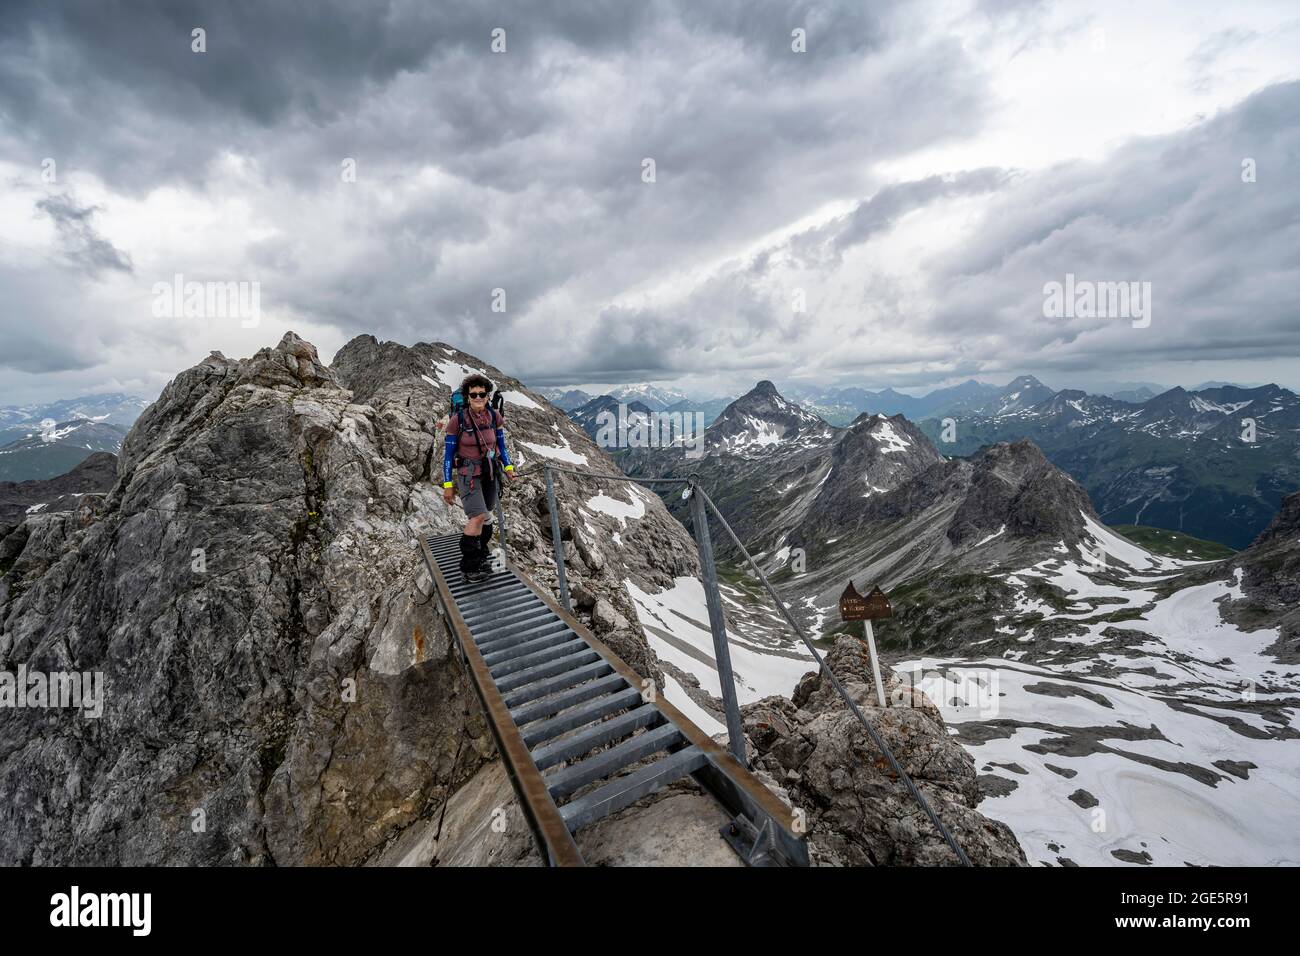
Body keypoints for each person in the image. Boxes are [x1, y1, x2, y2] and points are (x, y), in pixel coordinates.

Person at [442, 374, 516, 581]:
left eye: (481, 394)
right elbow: (447, 457)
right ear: (467, 396)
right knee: (477, 517)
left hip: (490, 472)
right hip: (468, 475)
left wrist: (508, 466)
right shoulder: (458, 420)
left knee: (487, 515)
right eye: (473, 394)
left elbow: (501, 445)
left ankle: (481, 552)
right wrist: (448, 485)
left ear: (487, 395)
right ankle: (469, 566)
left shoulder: (493, 416)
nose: (477, 397)